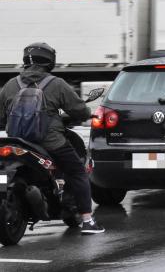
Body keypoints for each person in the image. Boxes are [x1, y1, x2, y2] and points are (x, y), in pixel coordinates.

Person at [0, 43, 105, 234]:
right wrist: (85, 113)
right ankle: (87, 221)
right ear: (50, 61)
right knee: (78, 173)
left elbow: (0, 116)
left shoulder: (10, 85)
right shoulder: (56, 84)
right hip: (51, 142)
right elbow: (80, 110)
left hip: (16, 142)